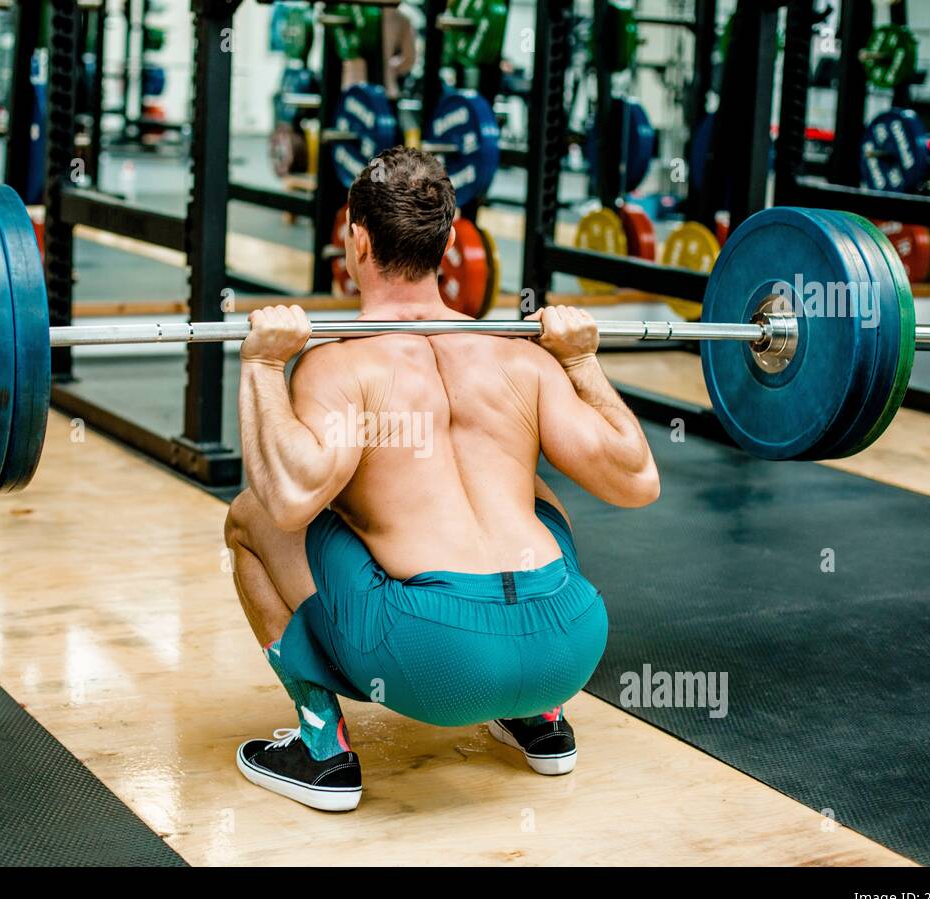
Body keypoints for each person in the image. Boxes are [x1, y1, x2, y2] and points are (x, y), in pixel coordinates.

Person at [225, 147, 659, 811]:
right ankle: (541, 716)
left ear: (356, 238)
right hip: (570, 640)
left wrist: (260, 366)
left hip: (435, 660)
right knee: (525, 488)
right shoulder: (519, 358)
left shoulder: (341, 370)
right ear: (450, 242)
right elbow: (636, 481)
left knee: (249, 517)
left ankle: (321, 751)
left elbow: (286, 500)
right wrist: (583, 363)